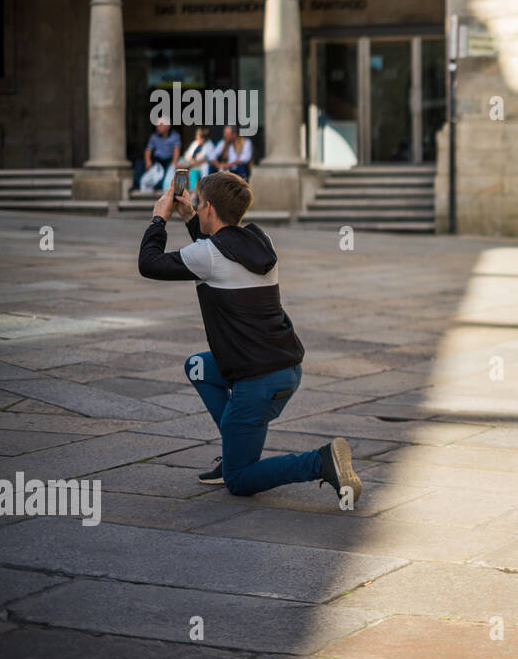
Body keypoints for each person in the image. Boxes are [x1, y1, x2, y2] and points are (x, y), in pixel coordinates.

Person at [137, 171, 362, 503]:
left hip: (256, 380)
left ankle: (321, 461)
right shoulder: (261, 240)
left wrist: (159, 219)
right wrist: (191, 218)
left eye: (199, 204)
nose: (197, 208)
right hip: (285, 368)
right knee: (197, 365)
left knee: (239, 481)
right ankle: (234, 451)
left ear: (209, 208)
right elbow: (220, 249)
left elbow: (149, 263)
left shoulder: (208, 255)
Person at [140, 116, 182, 192]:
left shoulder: (175, 136)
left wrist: (174, 163)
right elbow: (148, 150)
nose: (158, 127)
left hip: (169, 160)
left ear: (168, 126)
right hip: (157, 160)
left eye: (161, 124)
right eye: (157, 124)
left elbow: (176, 150)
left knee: (169, 178)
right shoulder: (154, 137)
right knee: (145, 177)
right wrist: (148, 161)